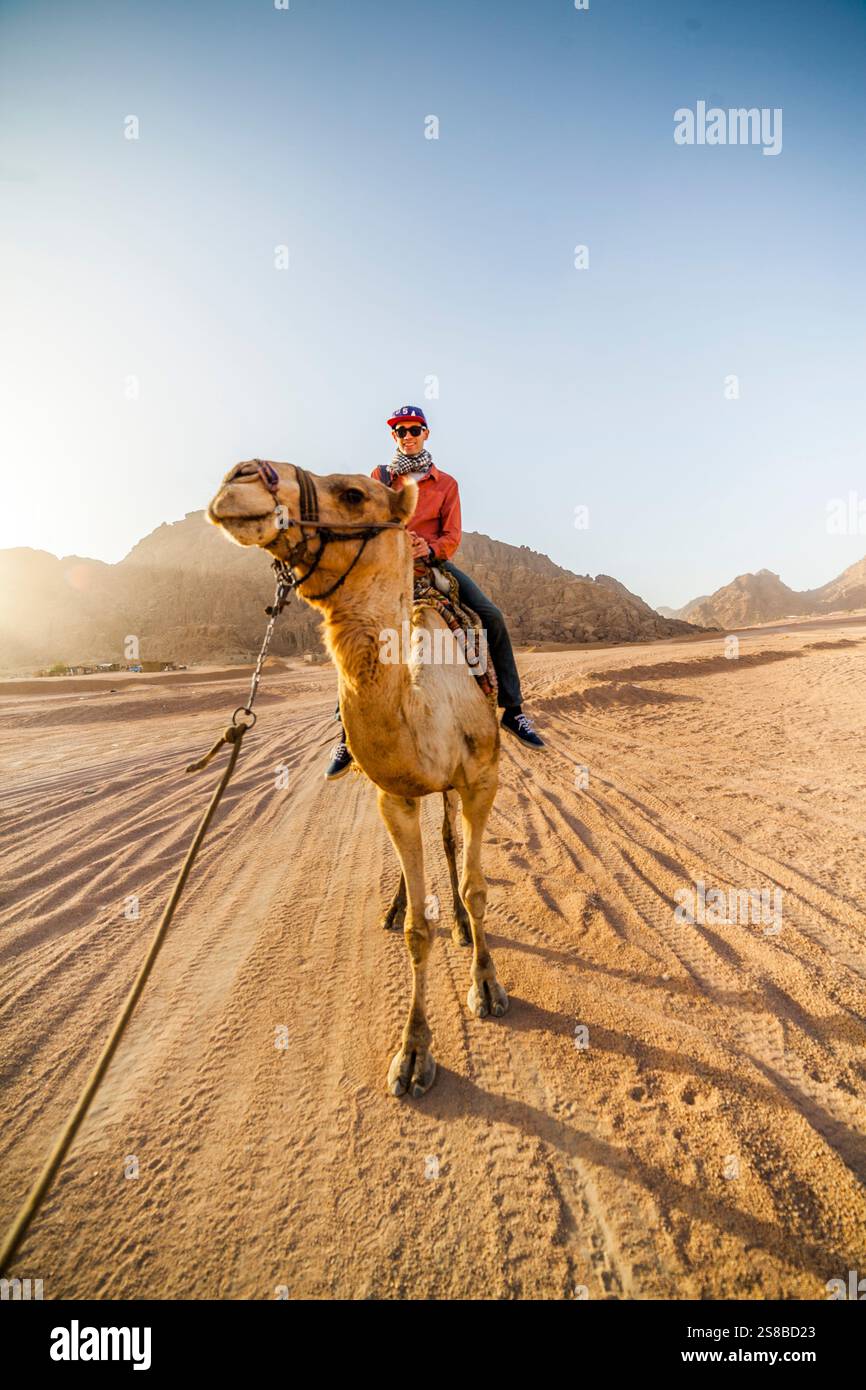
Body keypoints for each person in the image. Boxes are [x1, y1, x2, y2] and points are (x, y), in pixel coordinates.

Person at [325, 405, 545, 779]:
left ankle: (513, 710)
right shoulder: (379, 478)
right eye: (400, 431)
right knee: (355, 631)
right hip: (389, 567)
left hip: (433, 563)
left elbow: (452, 536)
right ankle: (347, 732)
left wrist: (429, 548)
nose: (407, 436)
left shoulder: (447, 485)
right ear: (393, 437)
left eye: (413, 429)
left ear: (426, 433)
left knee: (491, 616)